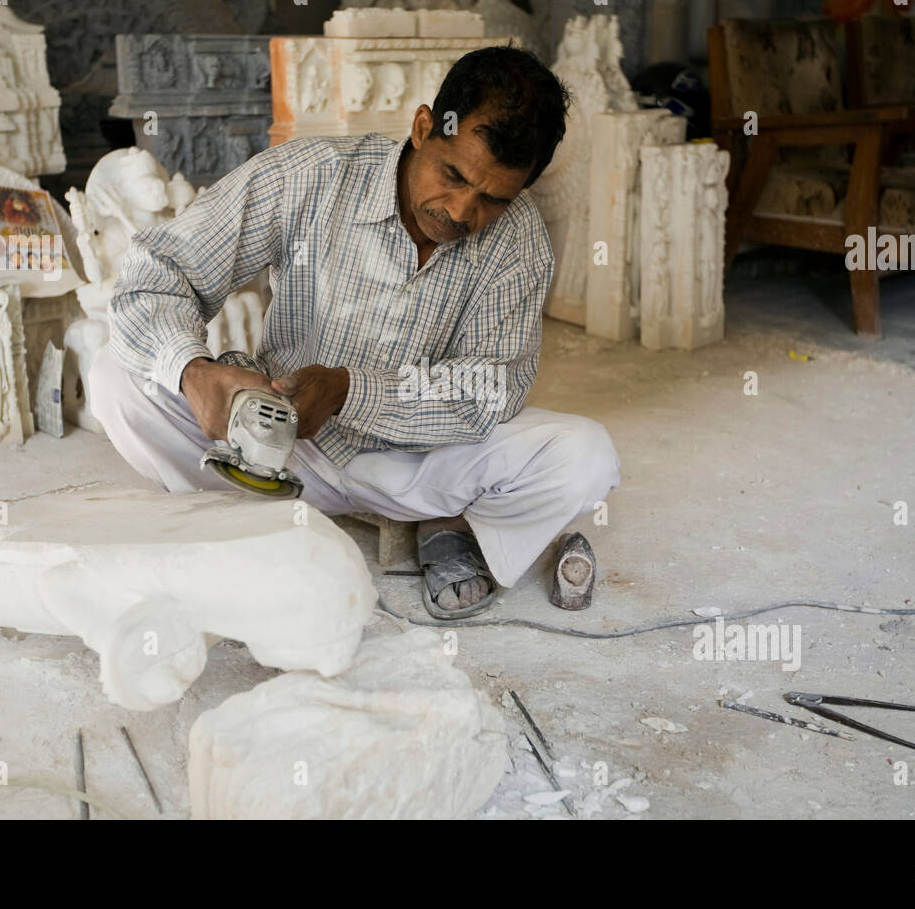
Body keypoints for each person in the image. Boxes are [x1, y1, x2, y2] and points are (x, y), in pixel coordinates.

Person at [91, 46, 621, 620]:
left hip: (422, 462)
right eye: (453, 175)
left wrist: (350, 392)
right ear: (423, 128)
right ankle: (257, 507)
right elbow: (155, 275)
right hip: (277, 443)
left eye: (492, 199)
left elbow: (492, 389)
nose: (461, 212)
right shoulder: (310, 175)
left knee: (584, 456)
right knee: (115, 376)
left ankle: (449, 526)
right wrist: (195, 371)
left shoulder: (517, 241)